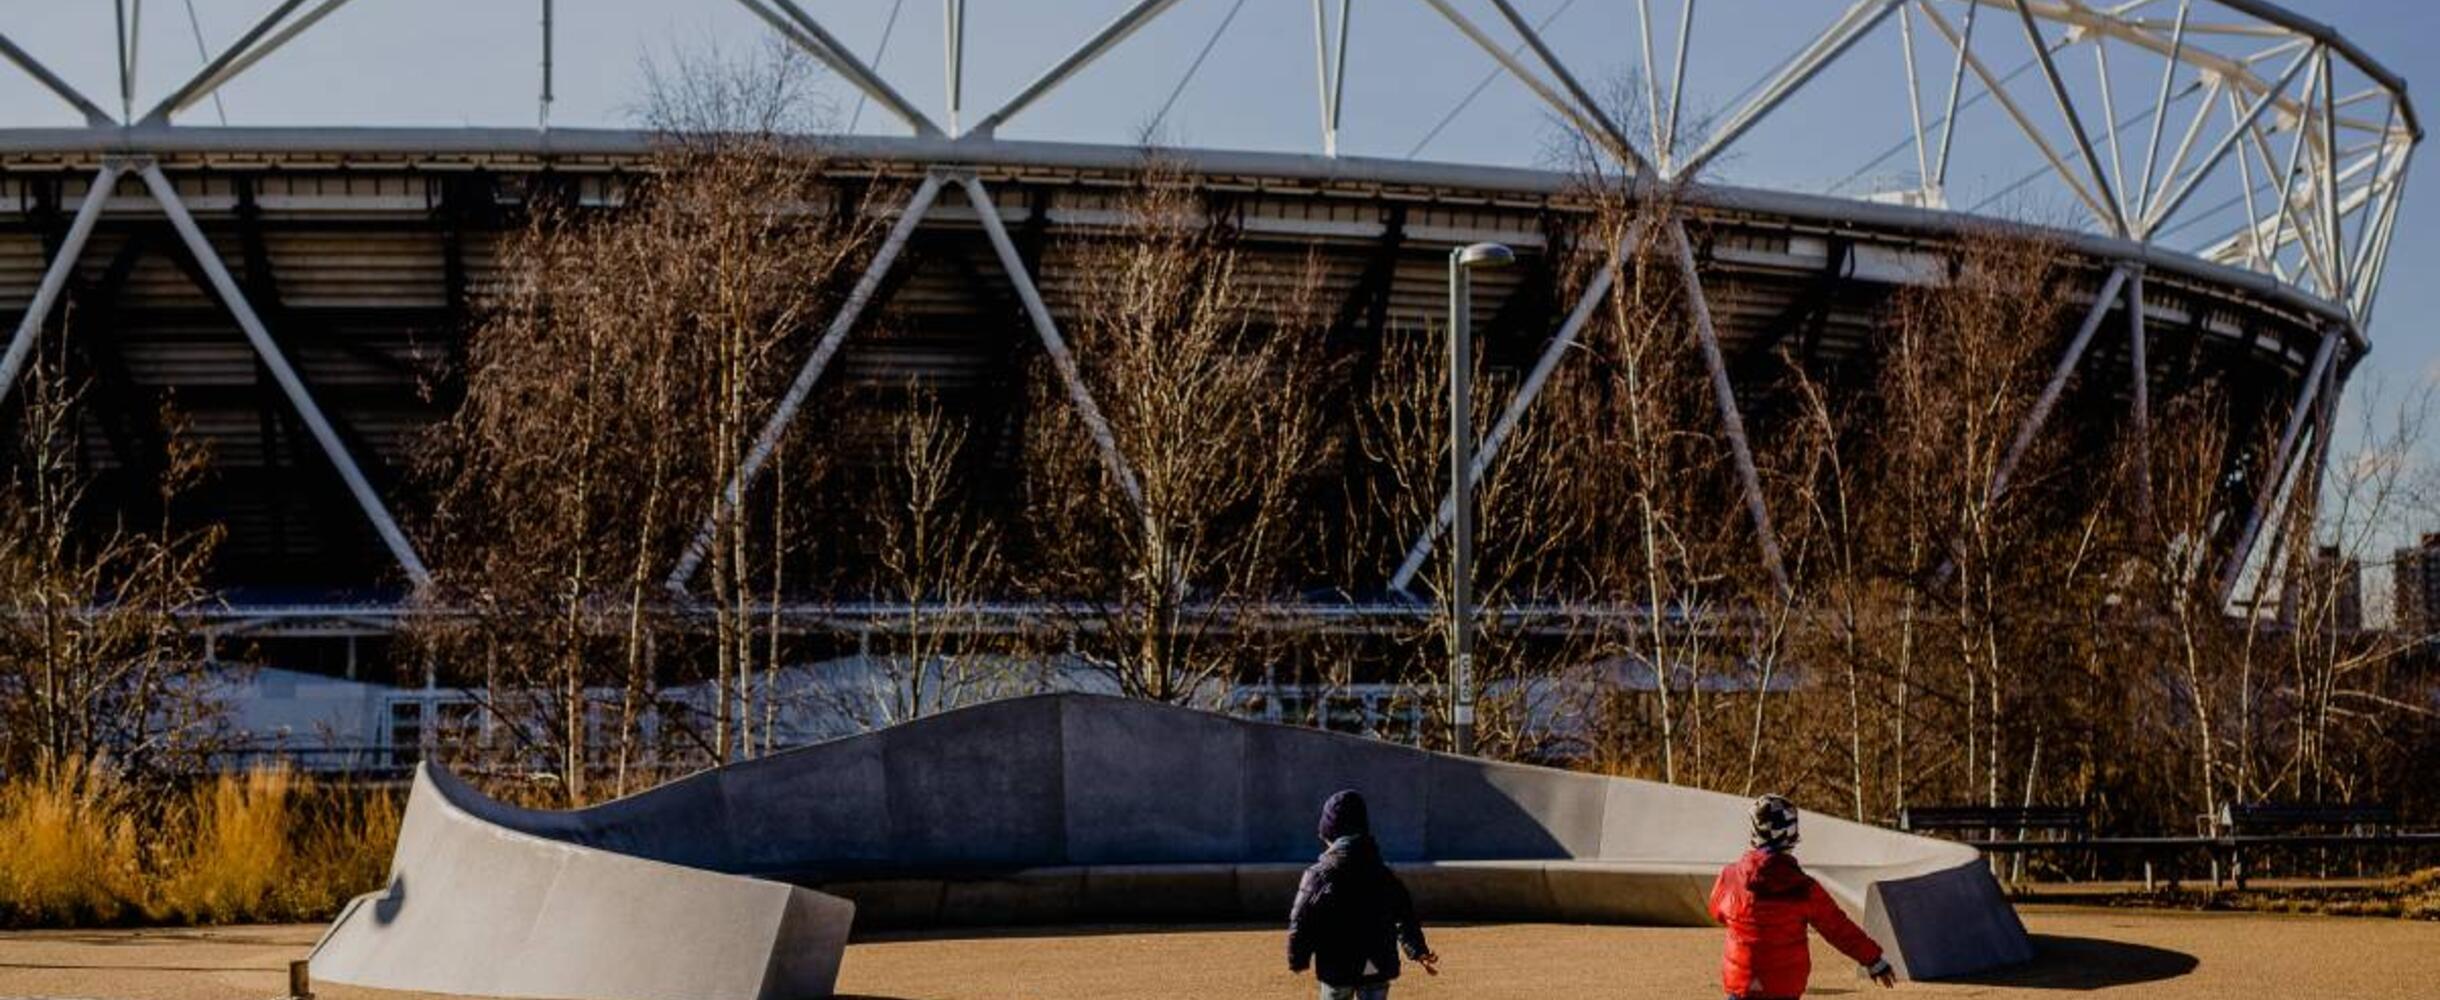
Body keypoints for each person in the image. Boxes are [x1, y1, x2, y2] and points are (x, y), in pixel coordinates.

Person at [1709, 794, 1898, 1000]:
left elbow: (1716, 912)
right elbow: (1837, 928)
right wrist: (1873, 960)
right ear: (1791, 835)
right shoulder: (1803, 887)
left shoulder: (1729, 876)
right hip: (1783, 987)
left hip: (1740, 985)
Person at [1287, 789, 1438, 1000]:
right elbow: (1405, 915)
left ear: (1329, 834)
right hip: (1376, 963)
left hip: (1337, 965)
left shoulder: (1320, 875)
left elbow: (1302, 919)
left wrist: (1298, 958)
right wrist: (1417, 950)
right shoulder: (1383, 874)